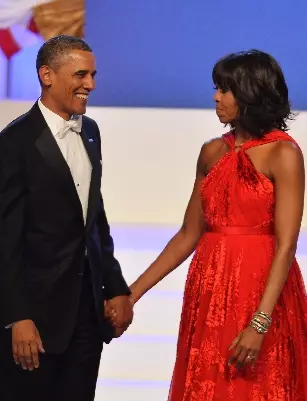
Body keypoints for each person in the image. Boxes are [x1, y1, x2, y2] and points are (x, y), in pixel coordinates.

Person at [109, 50, 307, 399]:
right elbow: (188, 234)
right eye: (217, 88)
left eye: (225, 89)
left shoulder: (284, 154)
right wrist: (132, 294)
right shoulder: (211, 152)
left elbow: (287, 244)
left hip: (261, 293)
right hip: (211, 289)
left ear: (250, 92)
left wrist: (260, 323)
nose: (216, 97)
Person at [0, 35, 133, 401]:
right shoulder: (13, 144)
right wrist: (16, 318)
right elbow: (5, 241)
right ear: (47, 75)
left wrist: (116, 286)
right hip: (35, 322)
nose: (90, 84)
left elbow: (94, 220)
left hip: (87, 317)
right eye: (80, 75)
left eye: (92, 75)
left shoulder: (90, 132)